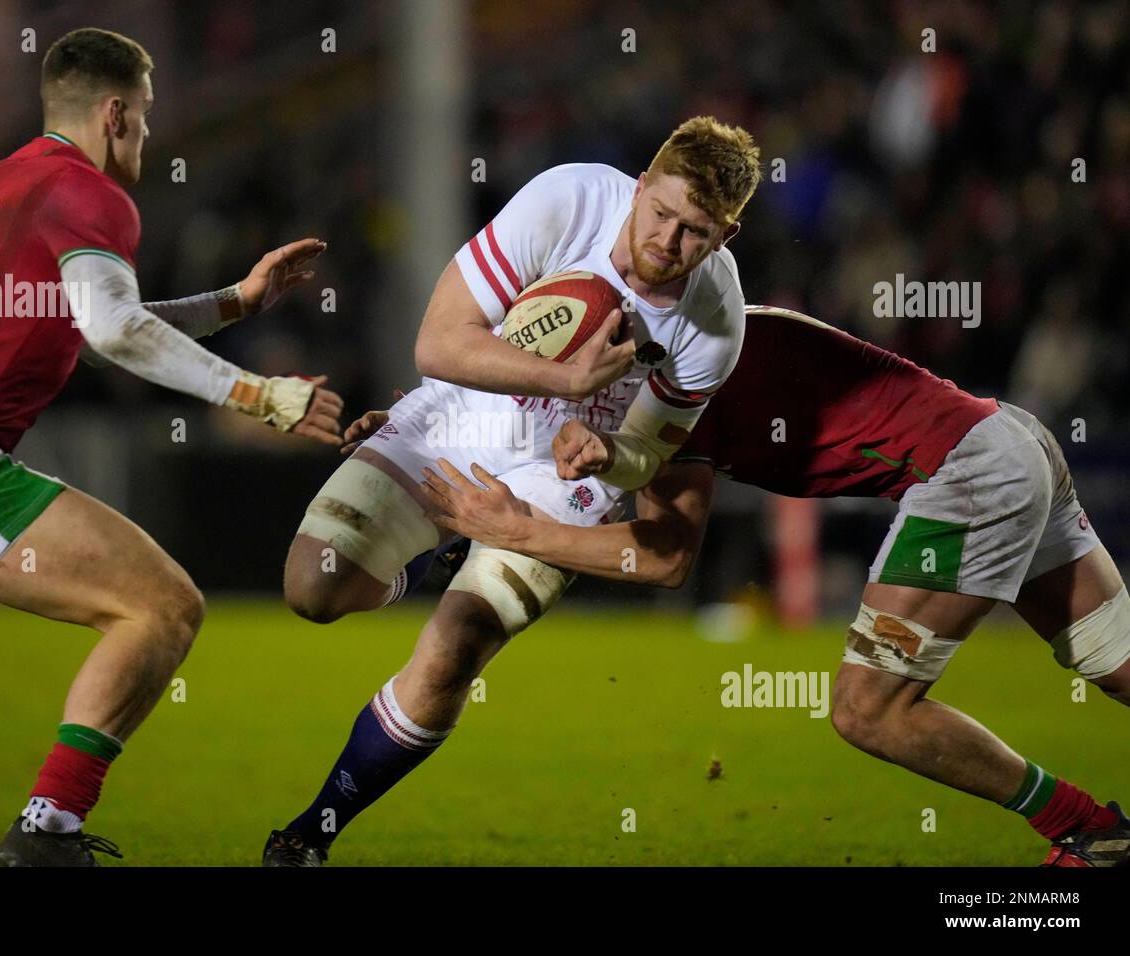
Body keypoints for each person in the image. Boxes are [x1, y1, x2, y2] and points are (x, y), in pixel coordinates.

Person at [0, 27, 343, 867]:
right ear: (114, 113)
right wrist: (259, 393)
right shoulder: (92, 192)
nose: (146, 133)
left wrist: (236, 302)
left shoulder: (10, 182)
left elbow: (102, 323)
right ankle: (47, 834)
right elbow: (116, 330)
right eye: (142, 116)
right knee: (162, 607)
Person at [421, 305, 1130, 867]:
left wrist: (519, 531)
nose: (548, 393)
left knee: (868, 711)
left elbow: (665, 561)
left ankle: (1089, 831)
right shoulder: (715, 334)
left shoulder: (676, 393)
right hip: (1008, 437)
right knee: (1118, 663)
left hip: (969, 475)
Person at [265, 117, 761, 865]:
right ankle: (420, 560)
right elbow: (437, 343)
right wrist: (565, 381)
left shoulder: (717, 320)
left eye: (696, 232)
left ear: (725, 236)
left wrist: (605, 452)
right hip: (469, 408)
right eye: (661, 212)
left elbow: (644, 458)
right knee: (313, 587)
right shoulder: (568, 200)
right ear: (642, 184)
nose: (668, 241)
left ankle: (312, 832)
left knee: (457, 646)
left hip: (561, 479)